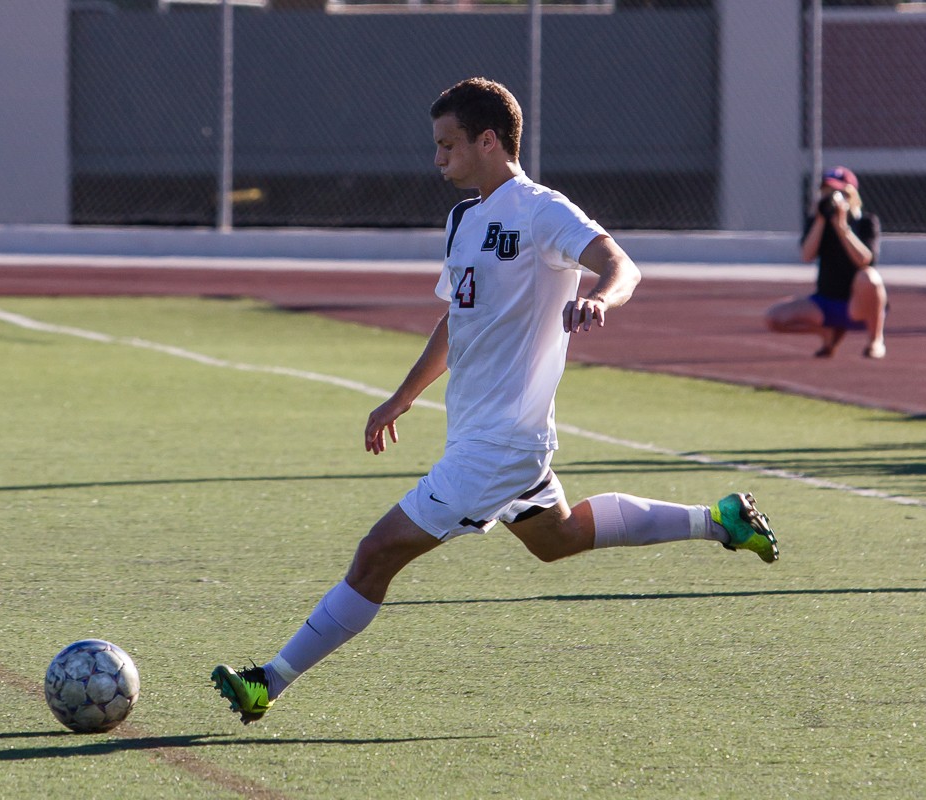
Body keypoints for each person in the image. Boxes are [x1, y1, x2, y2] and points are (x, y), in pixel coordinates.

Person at [211, 77, 778, 725]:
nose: (437, 158)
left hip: (498, 446)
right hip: (482, 435)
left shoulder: (541, 209)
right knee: (556, 539)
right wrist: (399, 399)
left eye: (448, 144)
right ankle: (721, 520)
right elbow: (457, 320)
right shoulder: (461, 219)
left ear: (488, 140)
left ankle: (269, 681)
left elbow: (621, 264)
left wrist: (600, 296)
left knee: (376, 553)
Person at [765, 167, 887, 359]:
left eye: (839, 193)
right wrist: (821, 220)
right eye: (827, 192)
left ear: (853, 195)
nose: (832, 197)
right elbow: (807, 256)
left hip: (858, 306)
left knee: (870, 277)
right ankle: (827, 335)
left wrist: (842, 227)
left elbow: (865, 260)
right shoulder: (818, 223)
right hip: (826, 302)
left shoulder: (866, 221)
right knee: (773, 317)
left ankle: (875, 340)